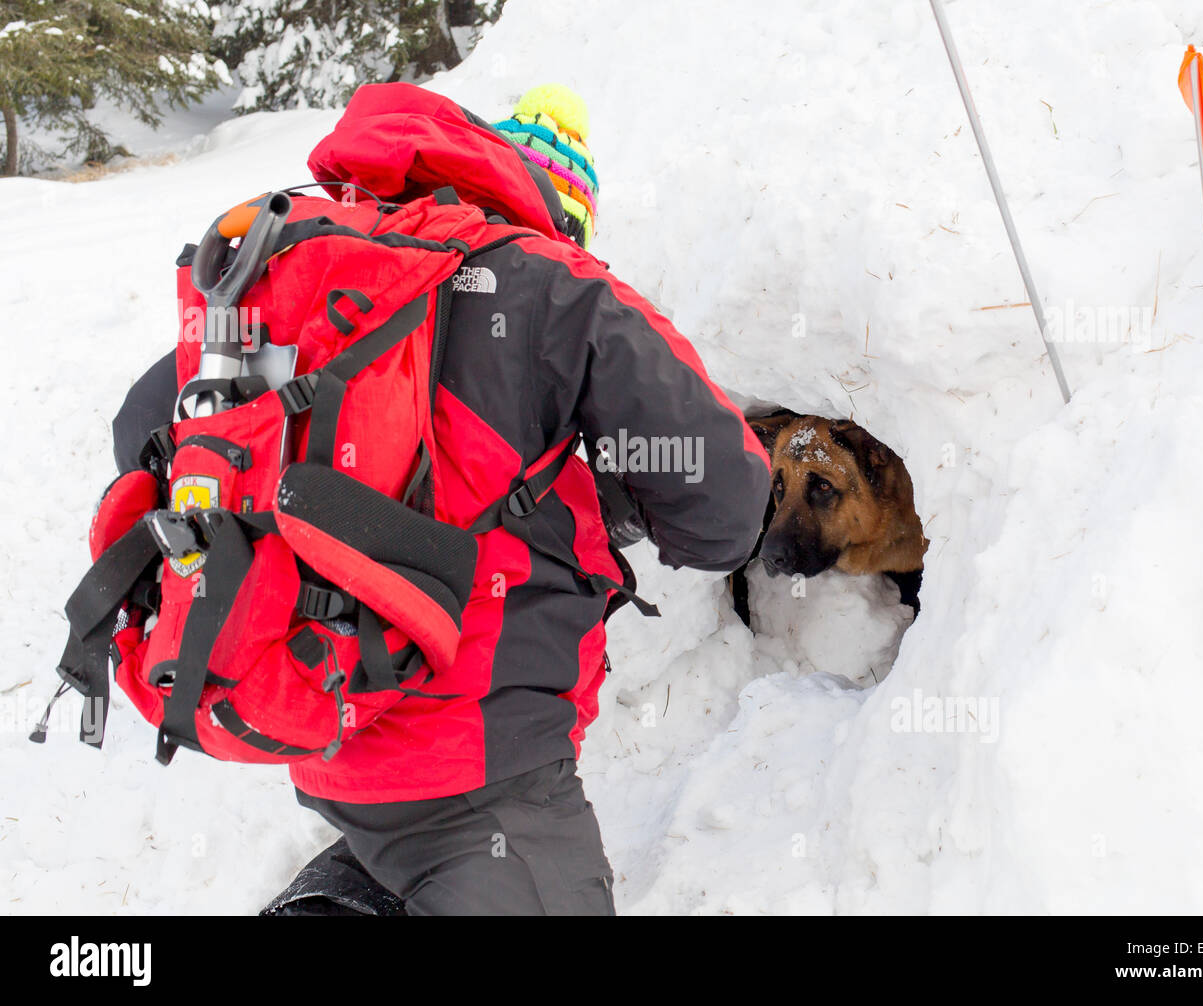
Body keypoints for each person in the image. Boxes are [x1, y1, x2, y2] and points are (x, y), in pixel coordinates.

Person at [111, 83, 770, 915]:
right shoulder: (554, 284)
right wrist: (595, 499)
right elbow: (727, 509)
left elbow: (142, 426)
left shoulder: (314, 271)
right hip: (479, 761)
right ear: (559, 212)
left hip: (322, 708)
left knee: (414, 848)